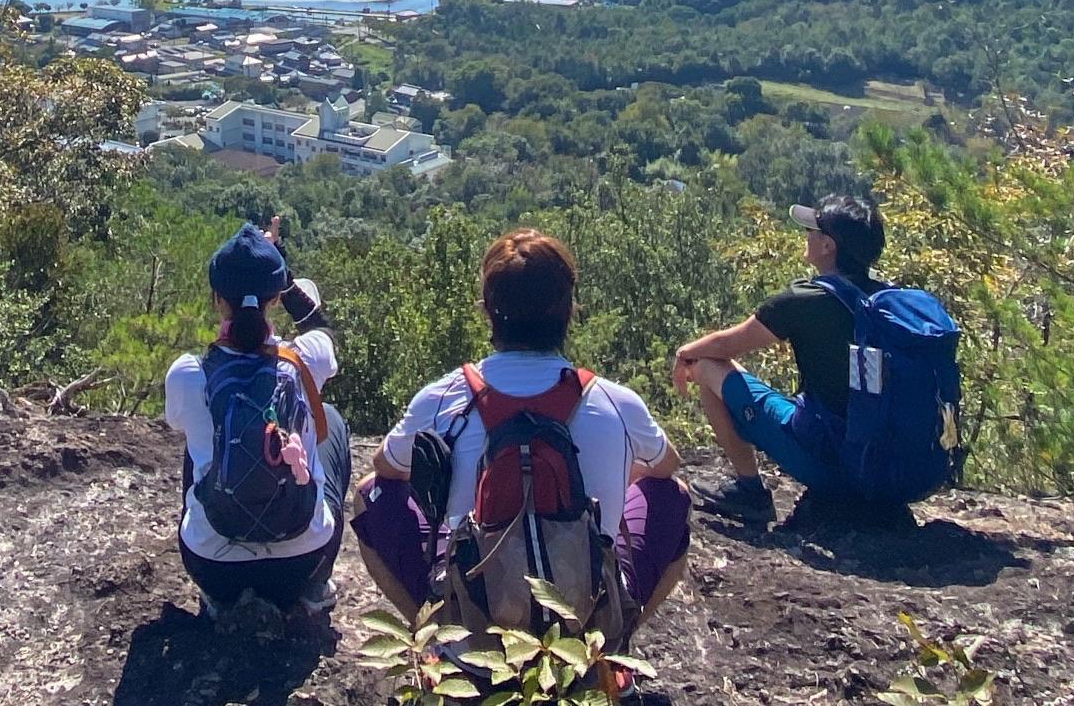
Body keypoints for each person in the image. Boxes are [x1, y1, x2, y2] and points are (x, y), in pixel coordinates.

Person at [353, 229, 689, 657]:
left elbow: (386, 467)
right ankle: (608, 646)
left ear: (487, 311)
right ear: (569, 311)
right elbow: (667, 467)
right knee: (670, 497)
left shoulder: (441, 399)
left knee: (372, 496)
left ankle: (442, 642)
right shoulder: (616, 402)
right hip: (582, 622)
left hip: (475, 620)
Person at [164, 217, 351, 616]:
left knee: (200, 440)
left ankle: (219, 602)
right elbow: (322, 328)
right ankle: (316, 589)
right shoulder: (306, 359)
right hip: (303, 563)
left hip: (214, 569)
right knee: (330, 420)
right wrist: (282, 272)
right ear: (273, 299)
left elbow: (180, 427)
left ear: (217, 298)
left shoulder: (188, 373)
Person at [671, 194, 891, 524]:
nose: (806, 236)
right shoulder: (887, 300)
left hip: (830, 462)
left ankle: (750, 492)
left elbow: (727, 345)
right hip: (885, 467)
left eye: (812, 231)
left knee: (705, 366)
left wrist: (684, 355)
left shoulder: (806, 300)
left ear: (828, 246)